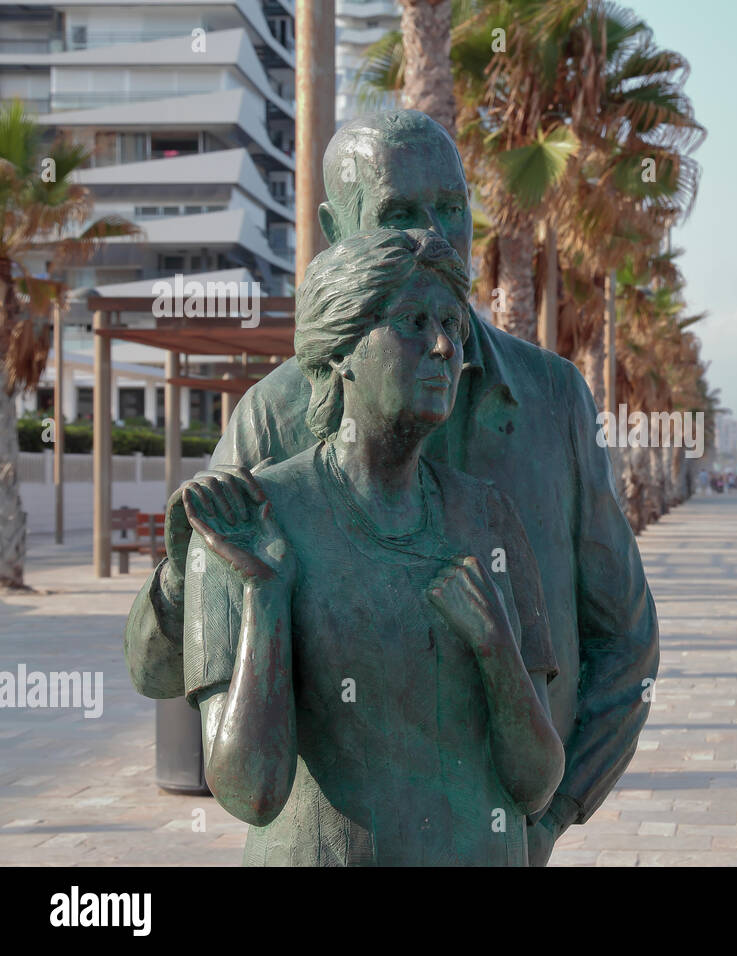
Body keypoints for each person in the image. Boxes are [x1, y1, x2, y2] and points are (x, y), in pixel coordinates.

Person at [123, 110, 658, 866]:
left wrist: (550, 817)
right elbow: (158, 669)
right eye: (401, 214)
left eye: (451, 209)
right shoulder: (274, 417)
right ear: (336, 228)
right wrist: (187, 575)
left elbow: (626, 642)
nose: (436, 237)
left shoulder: (553, 402)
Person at [183, 229, 563, 865]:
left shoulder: (489, 517)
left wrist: (497, 647)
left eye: (452, 324)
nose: (444, 346)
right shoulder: (247, 521)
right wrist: (266, 598)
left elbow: (536, 783)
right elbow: (250, 792)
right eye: (412, 322)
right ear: (341, 351)